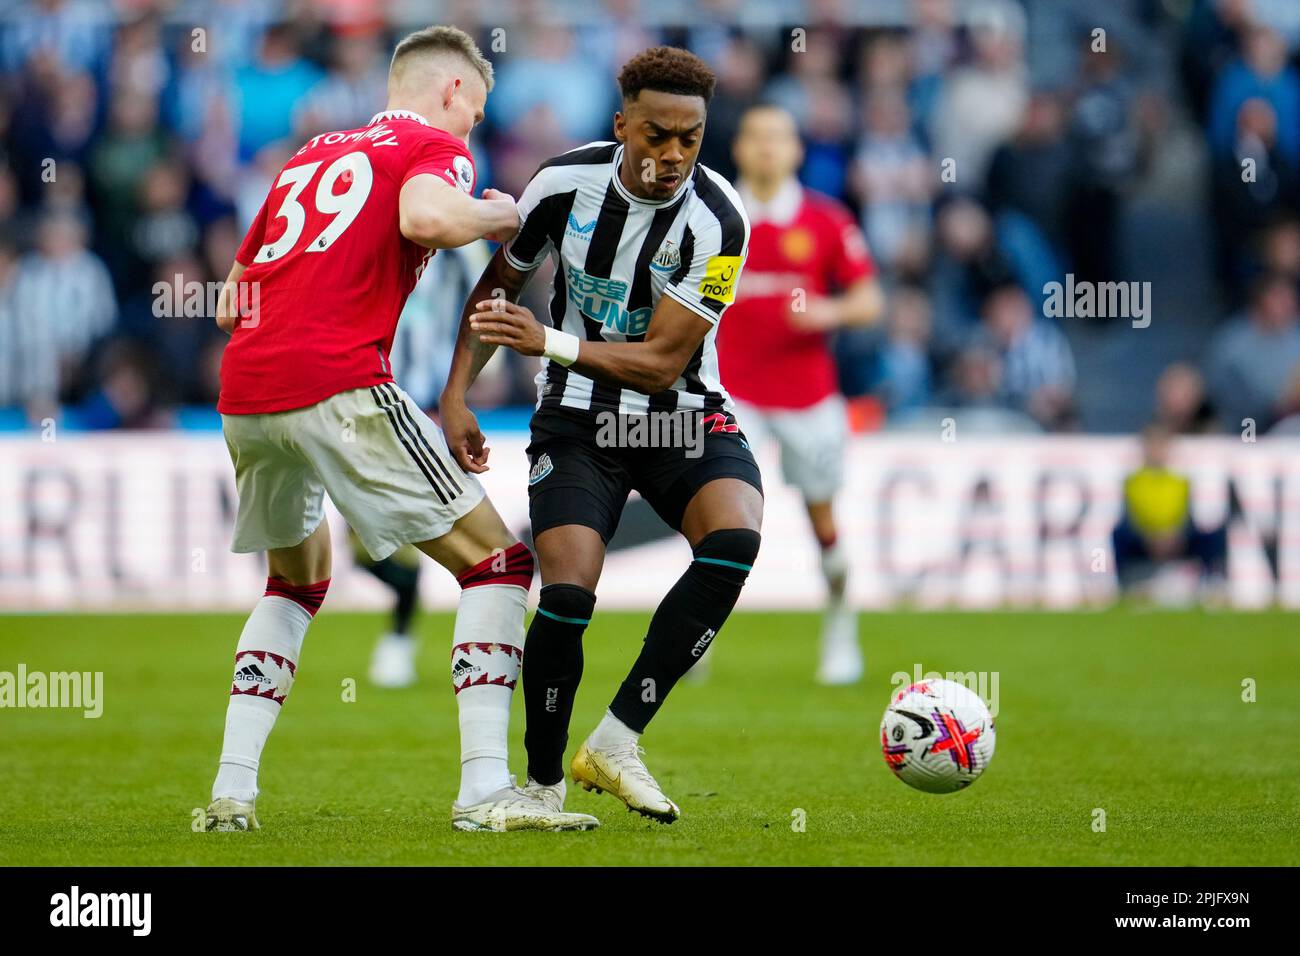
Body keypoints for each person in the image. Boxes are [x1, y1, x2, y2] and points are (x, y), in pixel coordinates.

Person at [204, 25, 597, 834]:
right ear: (452, 90)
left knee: (297, 583)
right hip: (338, 380)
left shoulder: (311, 155)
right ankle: (487, 790)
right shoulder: (432, 150)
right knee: (498, 563)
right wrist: (497, 213)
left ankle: (231, 793)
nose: (472, 133)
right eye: (476, 114)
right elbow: (423, 218)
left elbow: (227, 299)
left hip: (248, 389)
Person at [441, 46, 760, 823]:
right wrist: (455, 395)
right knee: (569, 590)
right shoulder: (559, 184)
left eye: (690, 138)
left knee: (735, 540)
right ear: (623, 126)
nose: (673, 155)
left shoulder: (720, 221)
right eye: (657, 135)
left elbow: (660, 363)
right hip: (579, 421)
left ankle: (617, 741)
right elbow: (501, 286)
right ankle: (542, 785)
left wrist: (543, 342)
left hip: (683, 412)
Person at [715, 103, 884, 685]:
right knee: (712, 513)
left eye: (778, 138)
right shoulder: (716, 215)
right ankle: (692, 637)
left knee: (823, 520)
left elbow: (869, 300)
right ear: (739, 149)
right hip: (728, 395)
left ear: (795, 152)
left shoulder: (825, 220)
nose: (766, 147)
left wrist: (828, 310)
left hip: (806, 396)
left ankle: (841, 627)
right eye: (755, 136)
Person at [1112, 424, 1227, 598]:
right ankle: (1123, 586)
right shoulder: (1132, 482)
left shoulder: (1180, 481)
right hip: (1144, 540)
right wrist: (1150, 537)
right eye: (1153, 446)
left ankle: (1212, 584)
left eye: (1161, 446)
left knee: (1215, 534)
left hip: (1177, 539)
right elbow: (1130, 517)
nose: (1156, 451)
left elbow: (1188, 516)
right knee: (1118, 534)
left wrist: (1176, 535)